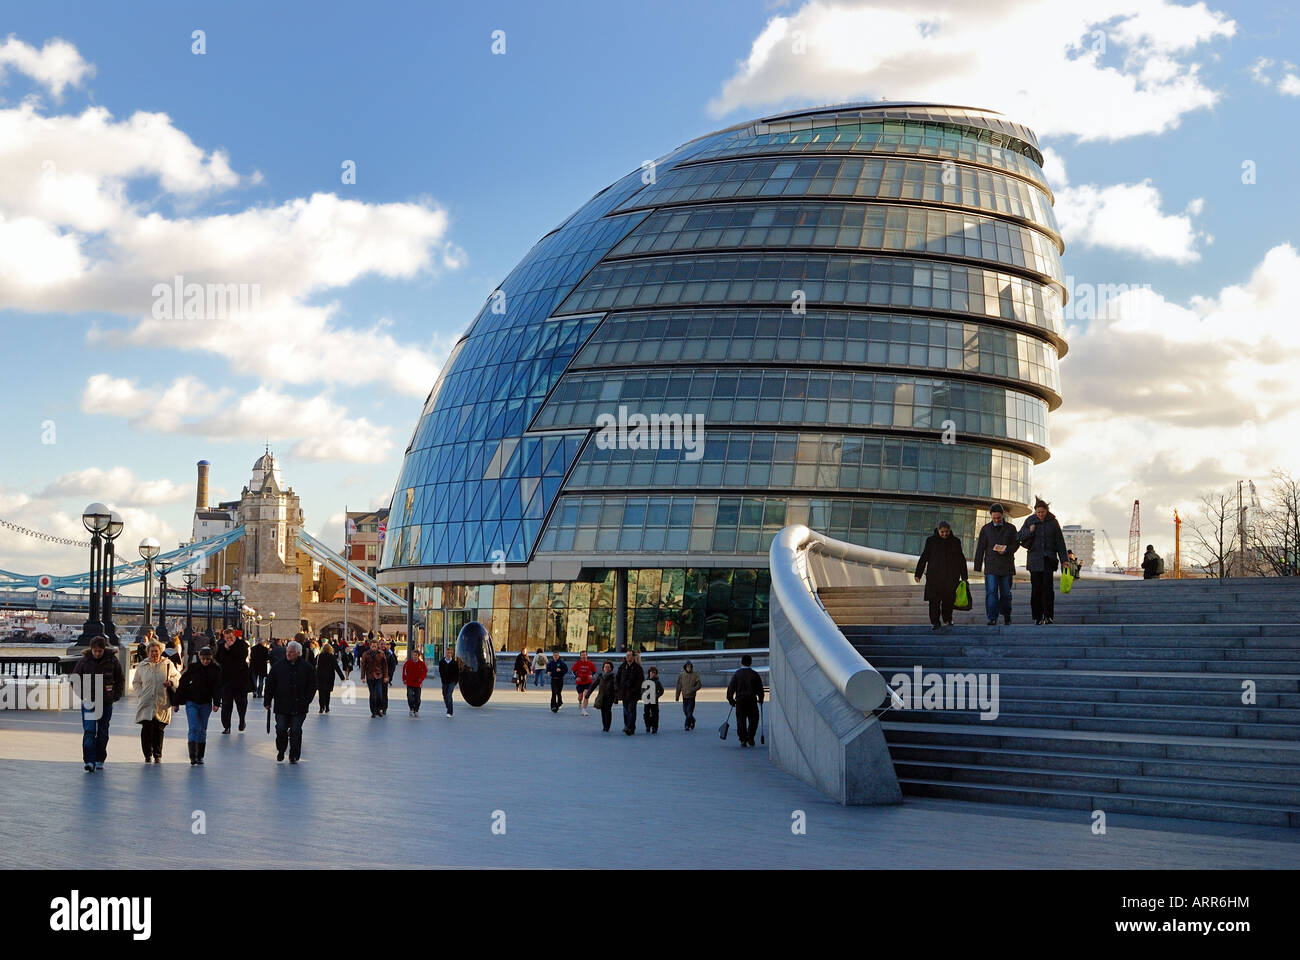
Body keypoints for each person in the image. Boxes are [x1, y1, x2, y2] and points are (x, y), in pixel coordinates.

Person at [72, 636, 124, 772]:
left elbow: (120, 679)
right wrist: (83, 695)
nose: (97, 654)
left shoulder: (112, 661)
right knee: (89, 730)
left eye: (99, 651)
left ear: (104, 649)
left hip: (106, 701)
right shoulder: (84, 661)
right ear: (91, 649)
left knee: (103, 732)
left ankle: (99, 759)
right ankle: (89, 761)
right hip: (89, 701)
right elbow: (75, 679)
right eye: (95, 651)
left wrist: (115, 696)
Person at [1017, 497, 1070, 625]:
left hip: (1048, 559)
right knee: (1036, 589)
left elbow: (1060, 542)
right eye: (1038, 512)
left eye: (1043, 512)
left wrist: (1064, 560)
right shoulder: (1029, 521)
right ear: (1035, 511)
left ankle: (1048, 616)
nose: (1041, 514)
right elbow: (1018, 536)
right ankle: (1037, 616)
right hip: (1034, 560)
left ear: (1047, 511)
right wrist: (1029, 531)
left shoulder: (1053, 522)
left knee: (1048, 589)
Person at [264, 639, 317, 763]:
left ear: (298, 653)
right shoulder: (278, 666)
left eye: (291, 652)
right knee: (281, 728)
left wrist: (307, 700)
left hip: (300, 705)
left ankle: (294, 754)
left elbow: (312, 685)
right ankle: (281, 749)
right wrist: (267, 700)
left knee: (295, 730)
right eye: (287, 651)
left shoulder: (307, 667)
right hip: (282, 704)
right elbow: (270, 684)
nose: (288, 654)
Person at [914, 520, 969, 629]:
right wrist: (918, 573)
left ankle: (947, 618)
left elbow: (961, 559)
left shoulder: (955, 541)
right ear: (938, 530)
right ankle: (935, 622)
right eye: (942, 532)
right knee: (934, 601)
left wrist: (964, 576)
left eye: (946, 531)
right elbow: (924, 557)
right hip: (934, 577)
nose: (944, 534)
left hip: (951, 577)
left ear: (950, 530)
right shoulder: (931, 541)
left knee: (948, 600)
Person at [133, 639, 180, 763]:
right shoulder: (142, 665)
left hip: (162, 701)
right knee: (147, 729)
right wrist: (140, 694)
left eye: (157, 651)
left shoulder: (168, 664)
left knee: (159, 729)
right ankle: (147, 754)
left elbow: (177, 676)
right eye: (152, 651)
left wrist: (171, 682)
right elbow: (136, 682)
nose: (154, 654)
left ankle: (157, 754)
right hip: (146, 701)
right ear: (148, 652)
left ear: (161, 652)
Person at [973, 503, 1019, 626]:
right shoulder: (985, 529)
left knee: (1006, 593)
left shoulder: (1011, 528)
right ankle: (992, 617)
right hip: (991, 566)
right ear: (991, 516)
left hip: (1006, 566)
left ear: (1002, 515)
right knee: (991, 592)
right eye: (994, 518)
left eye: (998, 518)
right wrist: (977, 566)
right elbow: (980, 547)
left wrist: (1007, 550)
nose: (997, 520)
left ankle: (1006, 615)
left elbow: (1016, 544)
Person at [178, 646, 222, 766]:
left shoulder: (215, 670)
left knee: (202, 729)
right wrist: (176, 702)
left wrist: (217, 702)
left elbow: (217, 687)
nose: (205, 661)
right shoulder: (193, 668)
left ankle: (200, 755)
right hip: (192, 701)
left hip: (206, 703)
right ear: (199, 658)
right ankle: (192, 755)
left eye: (208, 659)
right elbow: (183, 683)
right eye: (203, 659)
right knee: (193, 728)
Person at [214, 627, 251, 734]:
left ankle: (242, 720)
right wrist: (225, 649)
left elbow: (242, 656)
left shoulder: (242, 644)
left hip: (240, 679)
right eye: (226, 638)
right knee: (226, 704)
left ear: (234, 636)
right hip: (226, 679)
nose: (228, 640)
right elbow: (218, 659)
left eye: (230, 637)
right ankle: (227, 726)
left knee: (241, 703)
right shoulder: (222, 645)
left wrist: (232, 647)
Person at [726, 654, 765, 748]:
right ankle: (750, 737)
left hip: (740, 700)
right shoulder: (754, 674)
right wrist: (761, 698)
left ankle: (743, 739)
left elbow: (731, 688)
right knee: (754, 719)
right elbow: (760, 688)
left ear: (741, 662)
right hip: (751, 700)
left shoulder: (737, 674)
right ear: (750, 662)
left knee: (741, 720)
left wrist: (731, 699)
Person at [615, 649, 644, 736]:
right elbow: (617, 678)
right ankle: (627, 725)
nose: (627, 657)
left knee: (631, 710)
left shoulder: (638, 668)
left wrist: (634, 689)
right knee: (625, 710)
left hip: (633, 693)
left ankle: (630, 727)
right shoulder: (622, 667)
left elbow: (640, 680)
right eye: (627, 655)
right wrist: (618, 688)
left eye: (629, 655)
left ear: (633, 657)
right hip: (624, 693)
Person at [360, 635, 390, 717]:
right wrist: (362, 677)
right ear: (370, 646)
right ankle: (373, 711)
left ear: (377, 647)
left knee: (379, 694)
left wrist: (386, 676)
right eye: (372, 646)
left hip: (379, 676)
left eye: (375, 646)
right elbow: (363, 666)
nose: (374, 647)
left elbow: (385, 666)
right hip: (370, 676)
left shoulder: (381, 654)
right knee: (372, 695)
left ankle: (378, 709)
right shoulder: (366, 654)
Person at [316, 641, 346, 713]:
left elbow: (314, 665)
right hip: (329, 676)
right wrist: (342, 677)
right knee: (327, 693)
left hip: (320, 676)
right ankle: (327, 707)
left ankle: (321, 707)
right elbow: (337, 667)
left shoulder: (319, 656)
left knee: (321, 692)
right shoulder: (332, 657)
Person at [674, 659, 702, 731]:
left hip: (692, 696)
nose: (688, 668)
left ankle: (687, 725)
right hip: (684, 696)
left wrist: (693, 689)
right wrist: (677, 696)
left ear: (691, 667)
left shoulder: (695, 674)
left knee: (689, 711)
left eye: (690, 667)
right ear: (685, 667)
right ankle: (692, 720)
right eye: (687, 667)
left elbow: (699, 685)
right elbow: (679, 686)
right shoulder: (682, 675)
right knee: (685, 711)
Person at [570, 651, 598, 716]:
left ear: (587, 656)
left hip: (588, 682)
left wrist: (591, 675)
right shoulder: (577, 663)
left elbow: (594, 671)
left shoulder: (590, 663)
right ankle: (580, 702)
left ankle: (584, 710)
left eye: (585, 655)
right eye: (582, 655)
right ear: (580, 656)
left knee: (586, 694)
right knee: (580, 696)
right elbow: (573, 671)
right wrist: (576, 677)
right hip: (579, 682)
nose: (584, 656)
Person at [592, 661, 617, 732]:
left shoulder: (613, 677)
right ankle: (604, 725)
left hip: (610, 696)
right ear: (603, 668)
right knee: (603, 711)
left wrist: (616, 697)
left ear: (611, 668)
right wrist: (588, 694)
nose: (606, 668)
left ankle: (607, 726)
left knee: (607, 710)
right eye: (605, 667)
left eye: (608, 667)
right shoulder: (600, 676)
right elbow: (594, 685)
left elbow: (616, 687)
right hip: (602, 696)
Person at [402, 647, 428, 717]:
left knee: (417, 697)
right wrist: (404, 679)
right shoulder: (408, 663)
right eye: (413, 655)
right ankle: (411, 708)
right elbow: (404, 671)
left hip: (417, 683)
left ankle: (416, 709)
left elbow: (425, 672)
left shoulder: (422, 664)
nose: (414, 656)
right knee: (409, 696)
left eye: (416, 655)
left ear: (418, 656)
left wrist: (421, 679)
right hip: (409, 682)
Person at [642, 666, 664, 734]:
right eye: (651, 672)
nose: (652, 674)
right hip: (647, 700)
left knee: (655, 714)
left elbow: (661, 691)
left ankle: (654, 728)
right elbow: (642, 690)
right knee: (646, 714)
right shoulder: (645, 681)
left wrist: (656, 696)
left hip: (654, 701)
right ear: (649, 673)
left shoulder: (657, 682)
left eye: (654, 672)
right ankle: (648, 726)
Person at [438, 648, 459, 718]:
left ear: (451, 654)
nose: (448, 654)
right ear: (445, 653)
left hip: (452, 682)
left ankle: (449, 712)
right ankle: (448, 707)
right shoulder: (441, 662)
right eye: (447, 653)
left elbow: (457, 673)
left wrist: (455, 681)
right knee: (444, 695)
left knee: (449, 695)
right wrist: (442, 679)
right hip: (444, 682)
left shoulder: (454, 663)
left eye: (449, 653)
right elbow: (440, 671)